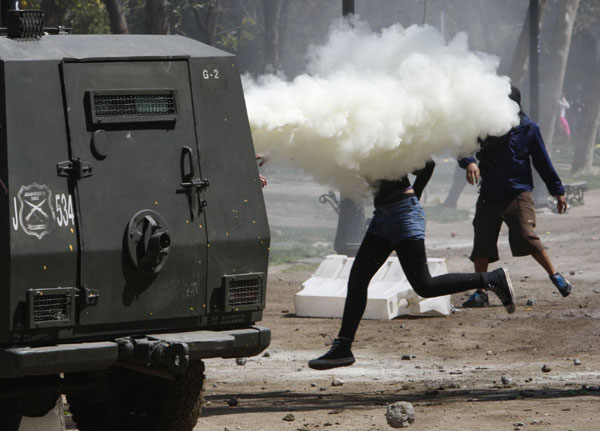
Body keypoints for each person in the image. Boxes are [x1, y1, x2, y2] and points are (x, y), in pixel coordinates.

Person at [308, 160, 517, 371]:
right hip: (384, 215)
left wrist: (413, 196)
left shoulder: (384, 139)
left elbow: (427, 164)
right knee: (358, 278)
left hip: (402, 214)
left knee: (424, 285)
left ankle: (491, 278)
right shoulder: (361, 140)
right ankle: (343, 347)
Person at [460, 86, 572, 308]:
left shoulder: (529, 128)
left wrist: (557, 191)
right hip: (489, 193)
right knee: (481, 242)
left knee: (525, 235)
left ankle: (556, 276)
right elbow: (464, 148)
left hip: (518, 193)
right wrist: (469, 162)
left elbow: (542, 161)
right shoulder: (485, 126)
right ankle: (481, 291)